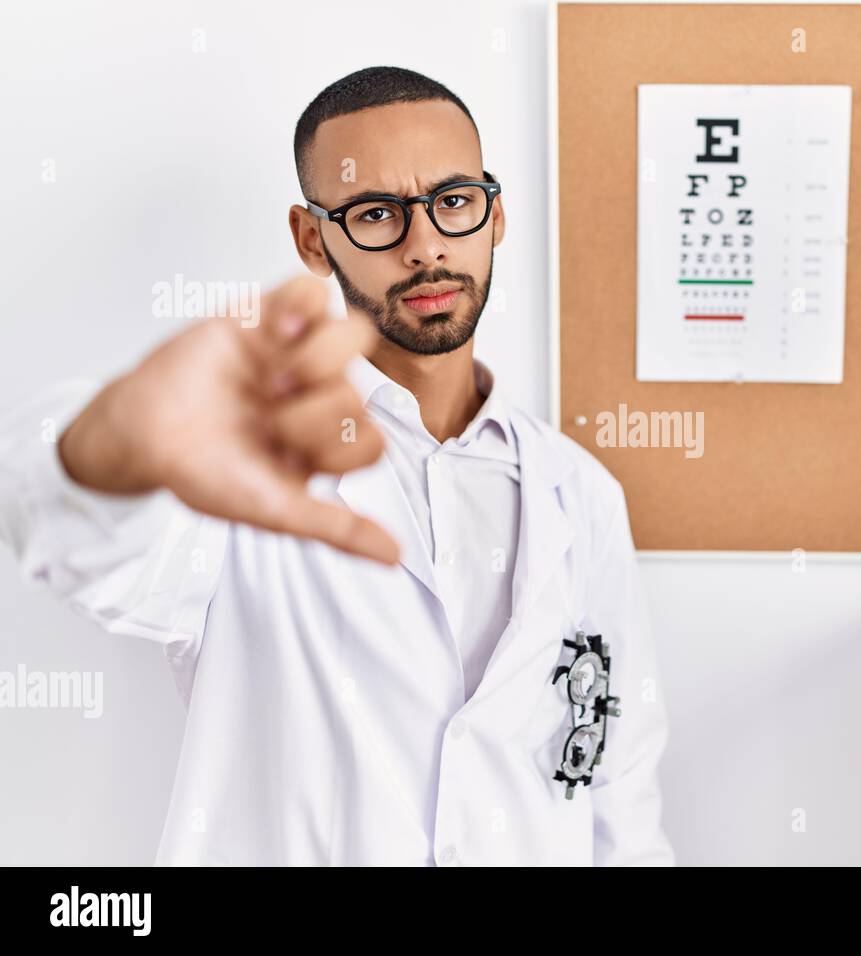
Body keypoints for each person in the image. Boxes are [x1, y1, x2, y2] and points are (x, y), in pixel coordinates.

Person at [0, 66, 674, 866]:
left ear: (495, 216)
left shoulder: (578, 492)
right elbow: (71, 542)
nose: (425, 246)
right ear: (313, 239)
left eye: (453, 201)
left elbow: (619, 785)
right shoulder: (247, 462)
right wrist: (115, 442)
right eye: (376, 213)